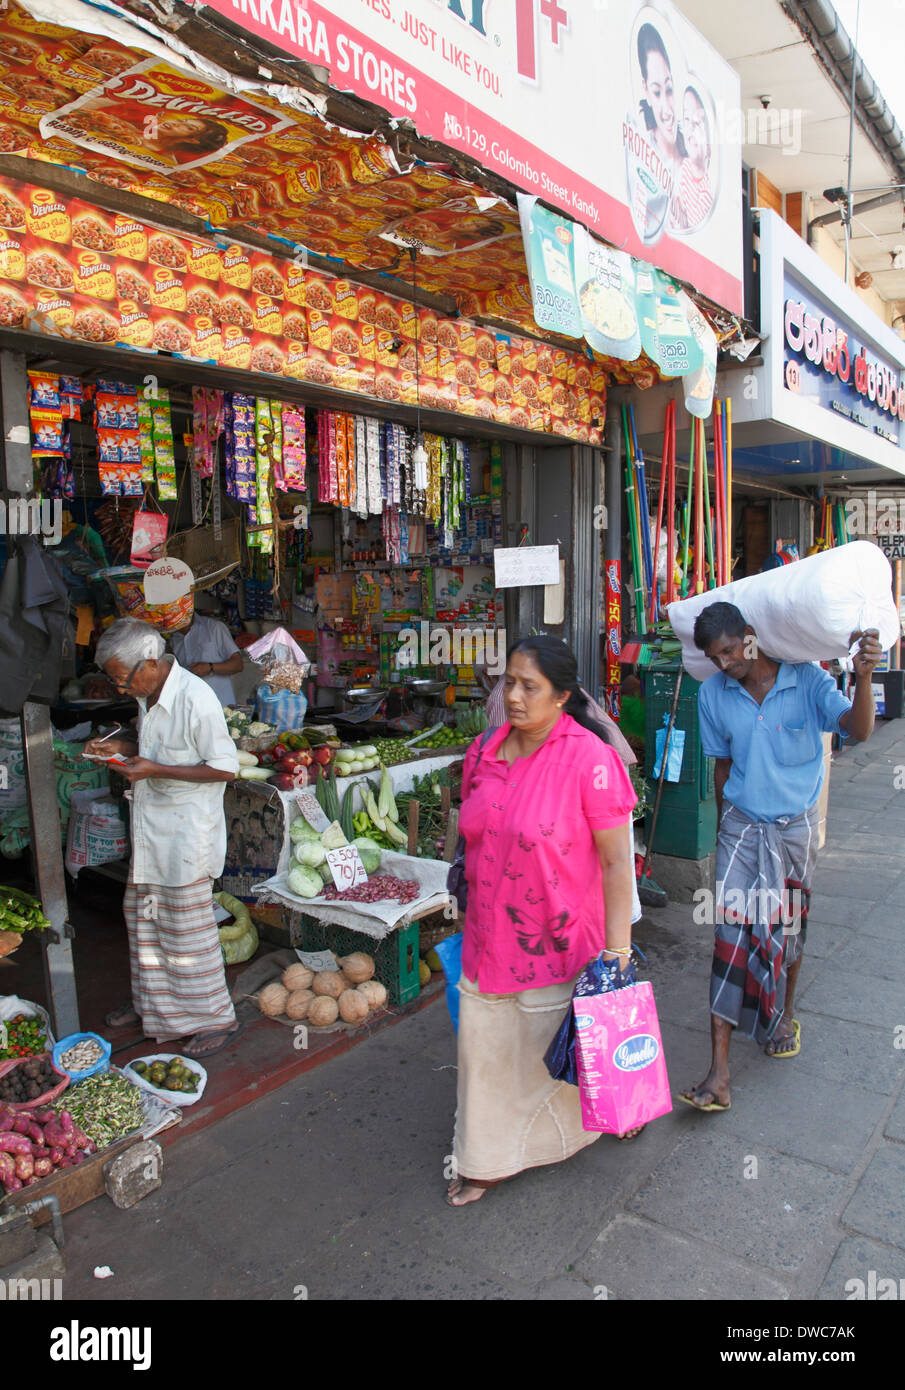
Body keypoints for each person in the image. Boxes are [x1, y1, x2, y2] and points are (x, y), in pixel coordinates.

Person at [447, 636, 639, 1207]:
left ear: (562, 696)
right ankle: (485, 1159)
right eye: (509, 682)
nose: (513, 695)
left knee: (548, 1054)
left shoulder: (590, 760)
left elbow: (614, 864)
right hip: (487, 932)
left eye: (530, 686)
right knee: (484, 1052)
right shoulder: (485, 751)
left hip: (557, 939)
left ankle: (570, 1134)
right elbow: (470, 834)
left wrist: (618, 953)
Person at [680, 602, 881, 1113]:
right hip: (742, 830)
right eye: (714, 657)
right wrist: (726, 834)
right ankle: (719, 1072)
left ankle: (782, 1017)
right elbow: (722, 769)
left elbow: (859, 731)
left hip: (794, 831)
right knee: (728, 938)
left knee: (790, 929)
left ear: (749, 636)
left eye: (728, 651)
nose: (724, 664)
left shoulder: (808, 682)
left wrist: (864, 678)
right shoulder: (712, 695)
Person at [86, 618, 242, 1058]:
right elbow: (152, 749)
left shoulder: (196, 698)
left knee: (187, 932)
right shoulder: (147, 693)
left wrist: (153, 769)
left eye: (123, 678)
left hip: (185, 837)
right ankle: (153, 1008)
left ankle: (216, 1019)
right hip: (152, 832)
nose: (120, 689)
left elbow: (225, 768)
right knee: (143, 920)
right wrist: (122, 750)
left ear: (150, 663)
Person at [167, 609, 243, 707]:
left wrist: (210, 667)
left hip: (221, 704)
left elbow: (238, 664)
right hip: (192, 706)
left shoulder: (214, 627)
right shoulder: (173, 639)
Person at [676, 86, 714, 230]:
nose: (690, 128)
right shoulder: (682, 168)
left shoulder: (706, 196)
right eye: (686, 118)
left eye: (697, 122)